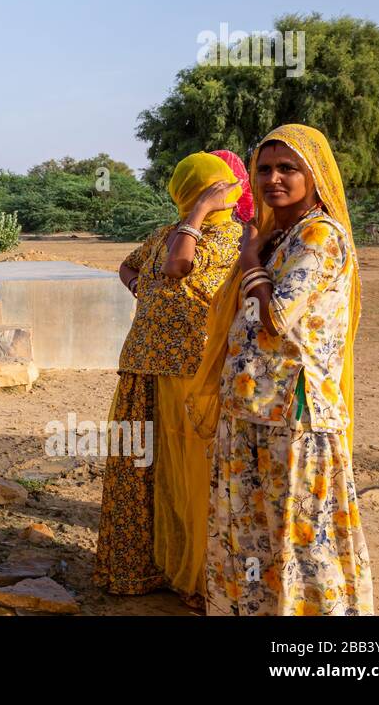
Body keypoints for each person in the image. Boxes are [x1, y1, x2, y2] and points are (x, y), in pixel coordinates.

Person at [194, 124, 373, 615]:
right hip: (251, 406)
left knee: (299, 534)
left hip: (295, 416)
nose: (274, 178)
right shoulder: (280, 234)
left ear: (314, 176)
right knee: (253, 533)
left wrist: (249, 258)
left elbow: (276, 317)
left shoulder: (319, 235)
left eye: (287, 168)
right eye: (265, 169)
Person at [94, 152, 241, 603]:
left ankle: (197, 578)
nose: (223, 194)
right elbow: (129, 264)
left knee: (190, 474)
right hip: (144, 364)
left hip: (193, 369)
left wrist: (196, 215)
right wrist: (139, 284)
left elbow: (179, 266)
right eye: (204, 190)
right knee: (141, 469)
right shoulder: (167, 233)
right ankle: (144, 567)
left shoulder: (234, 237)